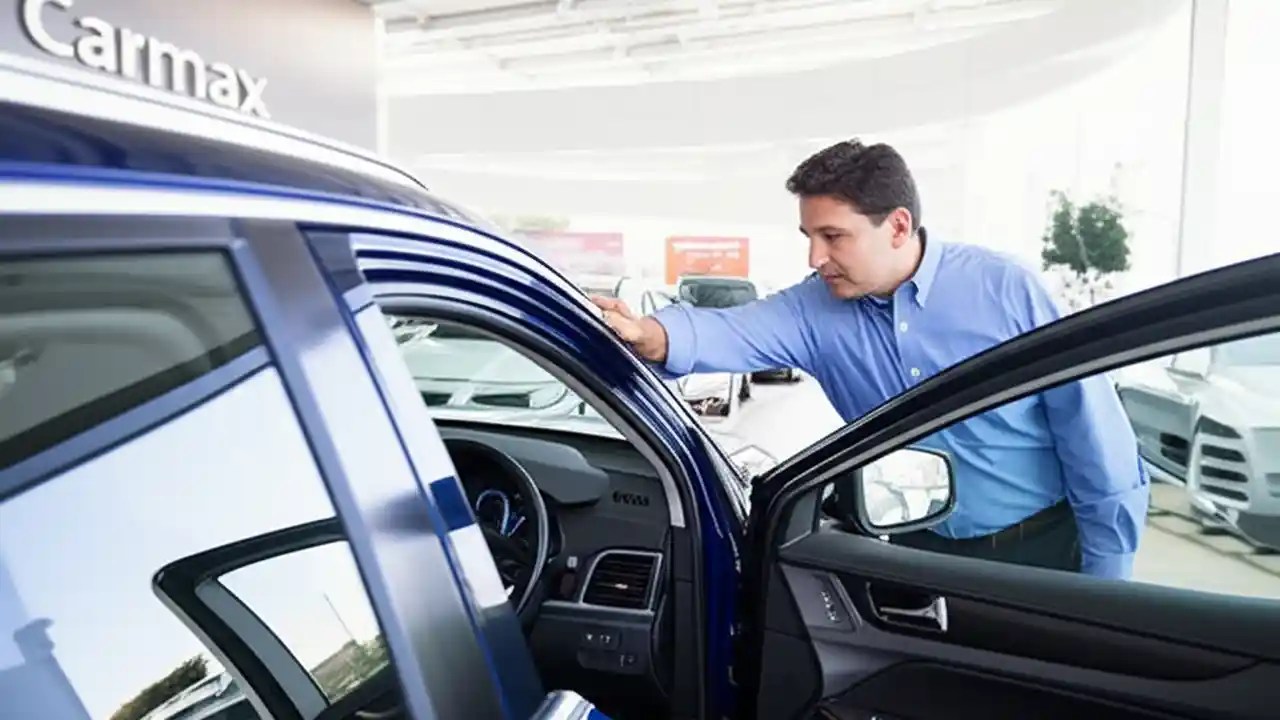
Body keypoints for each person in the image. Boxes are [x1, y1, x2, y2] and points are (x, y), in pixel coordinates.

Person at [591, 139, 1148, 580]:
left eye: (834, 236)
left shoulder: (1006, 290)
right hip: (917, 554)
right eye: (809, 236)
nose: (815, 257)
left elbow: (1094, 438)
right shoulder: (813, 309)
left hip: (1044, 552)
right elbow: (724, 331)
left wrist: (1107, 580)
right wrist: (643, 331)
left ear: (898, 226)